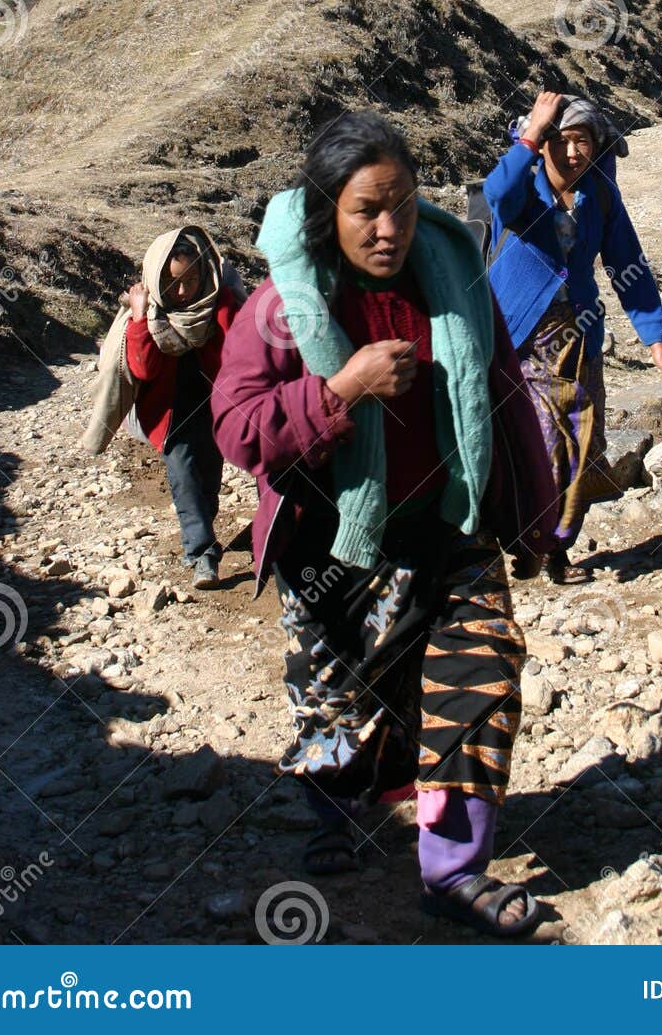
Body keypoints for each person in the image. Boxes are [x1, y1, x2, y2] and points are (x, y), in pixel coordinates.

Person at [211, 111, 557, 938]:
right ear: (326, 210)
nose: (390, 227)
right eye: (366, 208)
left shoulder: (450, 276)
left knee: (479, 676)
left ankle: (453, 870)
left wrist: (536, 518)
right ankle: (335, 810)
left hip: (448, 525)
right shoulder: (281, 307)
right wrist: (341, 391)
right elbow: (236, 427)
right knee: (343, 695)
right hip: (334, 542)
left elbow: (505, 394)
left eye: (401, 203)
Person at [483, 90, 662, 585]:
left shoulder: (599, 195)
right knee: (538, 444)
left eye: (585, 142)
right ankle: (520, 538)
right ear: (546, 142)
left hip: (580, 337)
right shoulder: (523, 190)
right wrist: (533, 129)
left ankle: (555, 548)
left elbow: (627, 264)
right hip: (521, 340)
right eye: (565, 140)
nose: (574, 153)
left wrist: (654, 340)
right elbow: (496, 192)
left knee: (580, 444)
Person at [80, 225, 242, 589]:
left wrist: (228, 301)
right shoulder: (150, 312)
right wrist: (139, 318)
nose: (183, 292)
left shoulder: (218, 303)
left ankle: (203, 523)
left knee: (208, 476)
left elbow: (236, 354)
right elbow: (144, 368)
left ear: (205, 275)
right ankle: (202, 554)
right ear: (157, 278)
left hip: (214, 411)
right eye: (173, 283)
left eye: (191, 280)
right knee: (184, 477)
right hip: (170, 416)